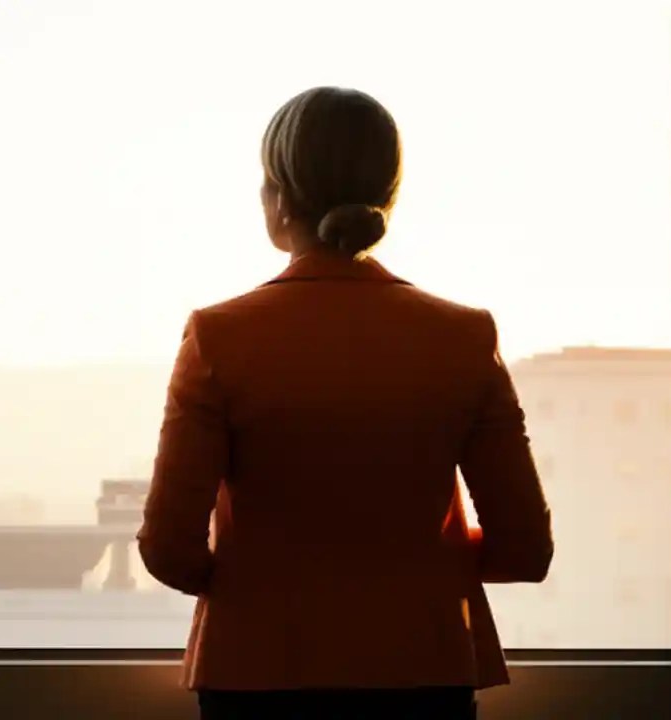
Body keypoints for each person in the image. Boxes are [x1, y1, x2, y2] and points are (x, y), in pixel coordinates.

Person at [137, 86, 554, 719]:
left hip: (257, 678)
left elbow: (168, 549)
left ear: (278, 197)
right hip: (424, 674)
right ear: (386, 195)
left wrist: (267, 579)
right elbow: (524, 548)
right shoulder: (464, 336)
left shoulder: (220, 335)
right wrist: (411, 562)